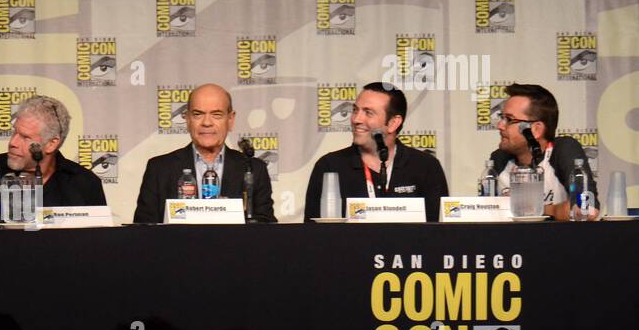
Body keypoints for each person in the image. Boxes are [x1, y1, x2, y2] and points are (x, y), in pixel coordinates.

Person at [303, 82, 449, 221]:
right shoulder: (330, 166)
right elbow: (312, 234)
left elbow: (439, 234)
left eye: (368, 112)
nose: (356, 119)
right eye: (355, 110)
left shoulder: (426, 167)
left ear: (393, 123)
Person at [133, 83, 275, 223]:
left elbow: (267, 227)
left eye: (216, 115)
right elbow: (143, 230)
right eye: (198, 114)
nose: (207, 122)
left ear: (230, 120)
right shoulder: (159, 168)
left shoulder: (253, 169)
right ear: (188, 119)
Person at [486, 83, 598, 221]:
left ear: (536, 129)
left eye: (509, 119)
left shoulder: (562, 150)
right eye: (501, 117)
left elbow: (586, 210)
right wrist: (555, 210)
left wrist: (533, 209)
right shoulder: (499, 159)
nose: (500, 125)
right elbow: (486, 214)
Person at [0, 95, 105, 206]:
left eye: (25, 137)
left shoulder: (85, 183)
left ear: (51, 144)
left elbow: (97, 238)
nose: (12, 143)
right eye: (14, 133)